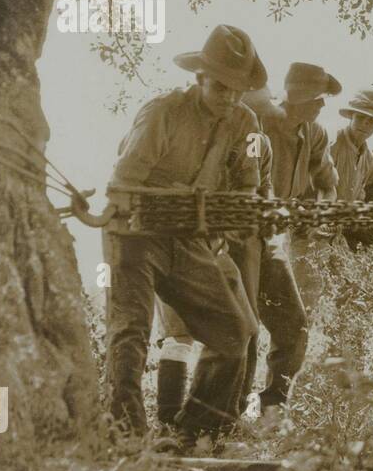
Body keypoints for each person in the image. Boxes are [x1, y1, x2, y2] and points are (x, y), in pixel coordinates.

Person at [103, 24, 264, 437]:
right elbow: (123, 183)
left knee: (234, 334)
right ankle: (128, 437)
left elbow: (248, 182)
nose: (228, 97)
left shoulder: (245, 122)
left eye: (236, 89)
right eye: (219, 87)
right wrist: (176, 198)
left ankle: (190, 434)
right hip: (136, 234)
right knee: (131, 332)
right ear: (200, 78)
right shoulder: (164, 112)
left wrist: (230, 215)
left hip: (190, 239)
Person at [250, 63, 341, 315]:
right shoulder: (259, 123)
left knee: (292, 313)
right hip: (247, 221)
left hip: (281, 229)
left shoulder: (316, 132)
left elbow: (328, 185)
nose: (322, 106)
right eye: (318, 99)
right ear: (299, 97)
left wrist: (319, 214)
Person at [330, 87, 373, 203]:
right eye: (360, 117)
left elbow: (358, 193)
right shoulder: (331, 145)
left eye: (372, 121)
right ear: (351, 116)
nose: (365, 123)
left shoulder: (369, 157)